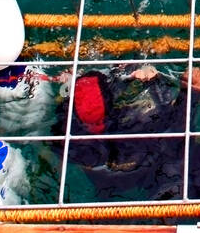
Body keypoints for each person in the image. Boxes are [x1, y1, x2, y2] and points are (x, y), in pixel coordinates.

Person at [57, 66, 191, 202]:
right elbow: (174, 124)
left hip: (109, 178)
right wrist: (156, 81)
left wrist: (68, 86)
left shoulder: (72, 139)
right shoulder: (139, 123)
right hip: (143, 168)